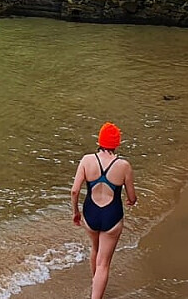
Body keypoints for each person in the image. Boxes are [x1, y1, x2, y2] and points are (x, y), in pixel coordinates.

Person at [71, 122, 137, 299]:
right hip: (112, 216)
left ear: (99, 140)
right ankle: (96, 294)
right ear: (116, 143)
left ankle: (96, 285)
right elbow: (132, 197)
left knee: (95, 249)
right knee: (104, 263)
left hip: (91, 213)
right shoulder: (124, 166)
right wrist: (131, 201)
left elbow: (75, 190)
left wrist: (76, 212)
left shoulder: (87, 160)